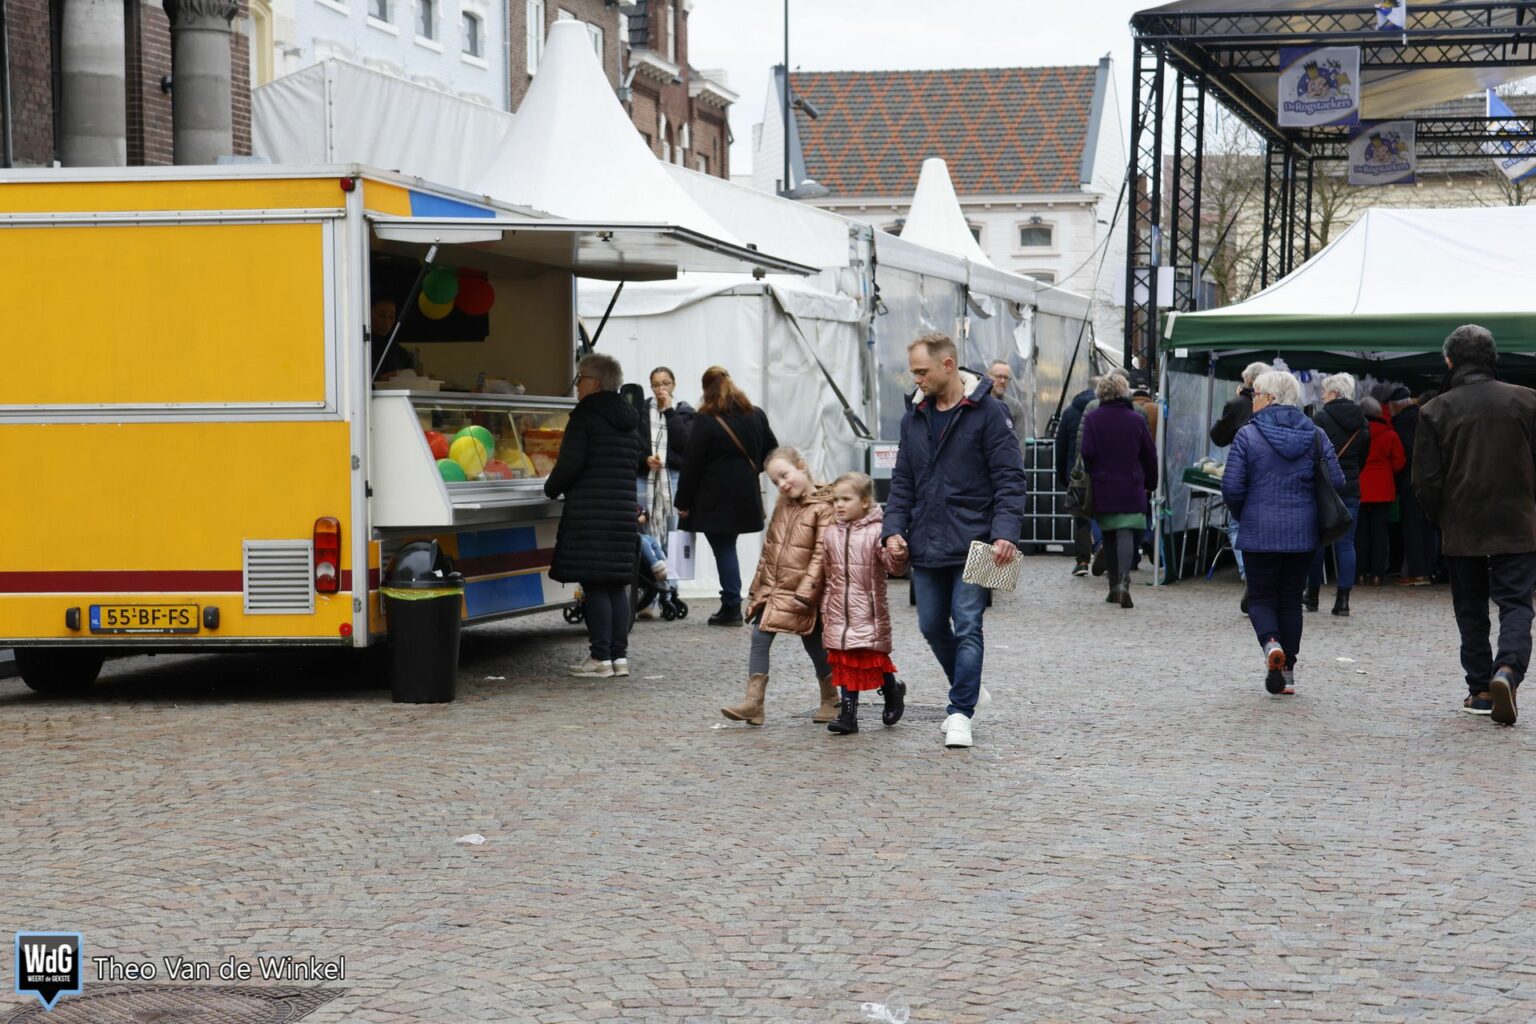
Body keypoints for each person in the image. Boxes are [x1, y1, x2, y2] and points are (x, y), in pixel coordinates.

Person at [883, 333, 1027, 750]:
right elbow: (903, 482)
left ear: (948, 366)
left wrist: (1005, 534)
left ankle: (960, 711)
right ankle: (968, 685)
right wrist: (892, 529)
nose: (916, 379)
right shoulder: (913, 418)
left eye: (921, 371)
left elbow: (1009, 479)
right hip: (926, 538)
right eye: (913, 372)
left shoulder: (989, 413)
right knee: (930, 625)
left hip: (979, 541)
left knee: (967, 625)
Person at [1413, 324, 1536, 726]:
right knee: (1517, 603)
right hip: (1517, 521)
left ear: (1449, 361)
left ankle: (1481, 689)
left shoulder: (1435, 410)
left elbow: (1425, 480)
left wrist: (1441, 517)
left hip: (1462, 523)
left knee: (1470, 610)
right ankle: (1508, 671)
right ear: (1492, 358)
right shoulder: (1527, 401)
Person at [1222, 370, 1345, 697]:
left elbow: (1232, 487)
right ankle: (1287, 671)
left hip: (1259, 530)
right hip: (1302, 533)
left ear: (1271, 399)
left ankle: (1271, 643)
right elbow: (1338, 481)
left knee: (1261, 596)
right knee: (1290, 600)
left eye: (1257, 395)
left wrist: (1245, 515)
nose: (1253, 400)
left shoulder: (1247, 436)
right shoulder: (1316, 434)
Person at [719, 447, 837, 726]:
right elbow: (770, 549)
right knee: (760, 637)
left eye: (784, 475)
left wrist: (806, 593)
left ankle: (831, 699)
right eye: (775, 482)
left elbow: (821, 555)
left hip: (804, 593)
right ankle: (754, 704)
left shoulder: (824, 506)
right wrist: (758, 588)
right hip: (777, 590)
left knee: (814, 642)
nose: (782, 484)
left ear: (802, 466)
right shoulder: (783, 505)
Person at [544, 354, 643, 679]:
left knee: (596, 586)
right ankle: (619, 657)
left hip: (591, 513)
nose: (577, 385)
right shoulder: (630, 417)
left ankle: (600, 657)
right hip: (621, 512)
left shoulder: (586, 415)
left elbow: (570, 465)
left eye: (580, 378)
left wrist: (551, 487)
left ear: (595, 382)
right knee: (616, 585)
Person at [675, 366, 778, 626]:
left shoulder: (706, 419)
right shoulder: (756, 415)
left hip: (714, 498)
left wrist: (683, 502)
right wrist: (751, 470)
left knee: (723, 548)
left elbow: (692, 464)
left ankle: (732, 605)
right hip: (746, 495)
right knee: (727, 547)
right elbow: (773, 451)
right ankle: (734, 600)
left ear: (706, 389)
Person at [819, 472, 910, 735]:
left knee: (871, 658)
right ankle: (848, 716)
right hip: (838, 608)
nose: (839, 504)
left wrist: (899, 553)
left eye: (846, 499)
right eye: (836, 499)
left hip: (868, 609)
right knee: (845, 660)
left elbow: (895, 567)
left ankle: (892, 690)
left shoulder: (878, 531)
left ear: (866, 501)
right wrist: (826, 603)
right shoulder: (830, 532)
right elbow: (828, 572)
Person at [1079, 372, 1158, 609]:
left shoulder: (1093, 418)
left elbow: (1087, 452)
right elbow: (1149, 454)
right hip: (1132, 484)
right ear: (1125, 391)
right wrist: (1150, 484)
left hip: (1103, 484)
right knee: (1126, 533)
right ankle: (1124, 582)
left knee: (1109, 535)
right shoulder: (1135, 419)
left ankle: (1114, 587)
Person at [1304, 373, 1369, 616]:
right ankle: (1343, 601)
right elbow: (1364, 454)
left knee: (1318, 541)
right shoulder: (1362, 420)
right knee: (1346, 543)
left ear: (1334, 393)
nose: (1322, 395)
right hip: (1351, 487)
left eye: (1324, 391)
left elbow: (1312, 452)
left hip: (1323, 487)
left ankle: (1312, 595)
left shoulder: (1320, 418)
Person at [1211, 361, 1273, 611]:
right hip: (1269, 474)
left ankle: (1250, 577)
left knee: (1236, 525)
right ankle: (1264, 580)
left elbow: (1218, 436)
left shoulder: (1237, 405)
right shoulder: (1276, 406)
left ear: (1248, 381)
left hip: (1241, 471)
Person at [635, 366, 694, 617]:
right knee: (646, 534)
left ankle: (671, 591)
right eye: (656, 384)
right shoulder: (640, 412)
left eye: (666, 383)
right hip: (645, 478)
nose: (661, 388)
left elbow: (685, 445)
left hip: (673, 479)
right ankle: (648, 595)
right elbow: (632, 443)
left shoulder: (684, 412)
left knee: (673, 536)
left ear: (674, 384)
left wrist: (668, 410)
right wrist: (645, 458)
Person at [1355, 396, 1406, 587]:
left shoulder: (1357, 433)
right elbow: (1399, 461)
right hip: (1383, 487)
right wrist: (1386, 472)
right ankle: (1377, 574)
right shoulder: (1390, 434)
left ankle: (1360, 573)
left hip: (1361, 486)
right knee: (1379, 533)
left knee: (1360, 533)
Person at [1388, 385, 1434, 587]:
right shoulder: (1422, 416)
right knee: (1426, 528)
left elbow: (1404, 454)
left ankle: (1417, 573)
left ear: (1395, 406)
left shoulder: (1404, 422)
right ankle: (1429, 570)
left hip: (1411, 481)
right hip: (1428, 480)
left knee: (1412, 528)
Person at [1055, 378, 1098, 576]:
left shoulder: (1070, 412)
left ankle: (1082, 560)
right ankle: (1101, 546)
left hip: (1076, 473)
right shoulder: (1103, 410)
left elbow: (1061, 446)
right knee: (1102, 513)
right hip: (1099, 470)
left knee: (1081, 516)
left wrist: (1062, 474)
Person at [369, 297, 414, 377]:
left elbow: (411, 376)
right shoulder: (361, 350)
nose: (386, 322)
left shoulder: (401, 354)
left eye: (391, 317)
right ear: (369, 314)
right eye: (381, 315)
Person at [988, 360, 1028, 444]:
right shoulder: (978, 404)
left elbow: (1020, 442)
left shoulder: (1016, 408)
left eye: (1006, 378)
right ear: (989, 376)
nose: (1002, 381)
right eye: (999, 376)